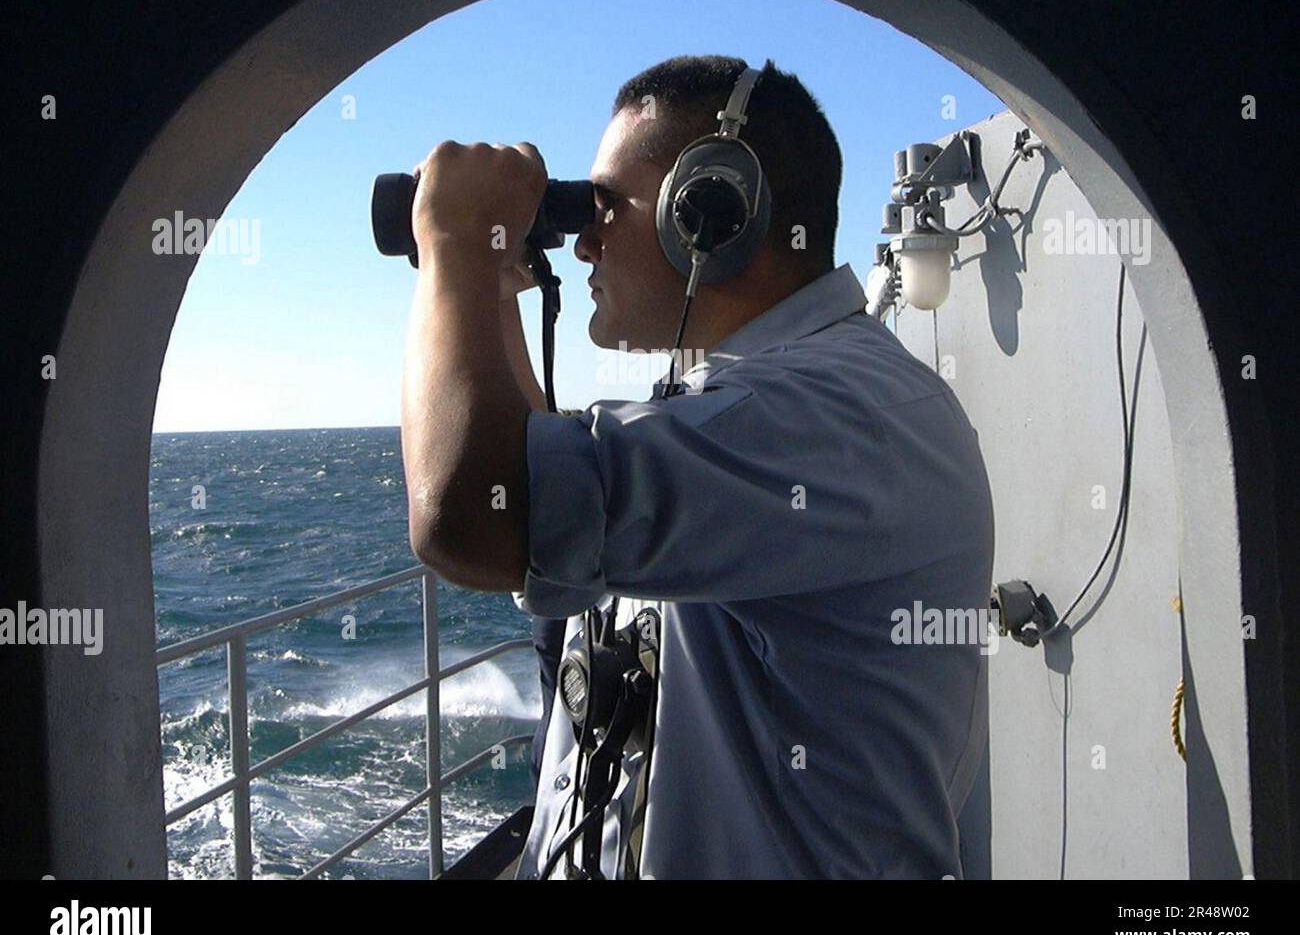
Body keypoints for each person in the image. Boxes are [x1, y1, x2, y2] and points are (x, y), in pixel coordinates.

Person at [400, 54, 994, 879]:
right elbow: (544, 488)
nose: (580, 245)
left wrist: (454, 244)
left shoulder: (825, 416)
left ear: (714, 210)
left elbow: (468, 512)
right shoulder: (740, 396)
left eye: (605, 208)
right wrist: (495, 289)